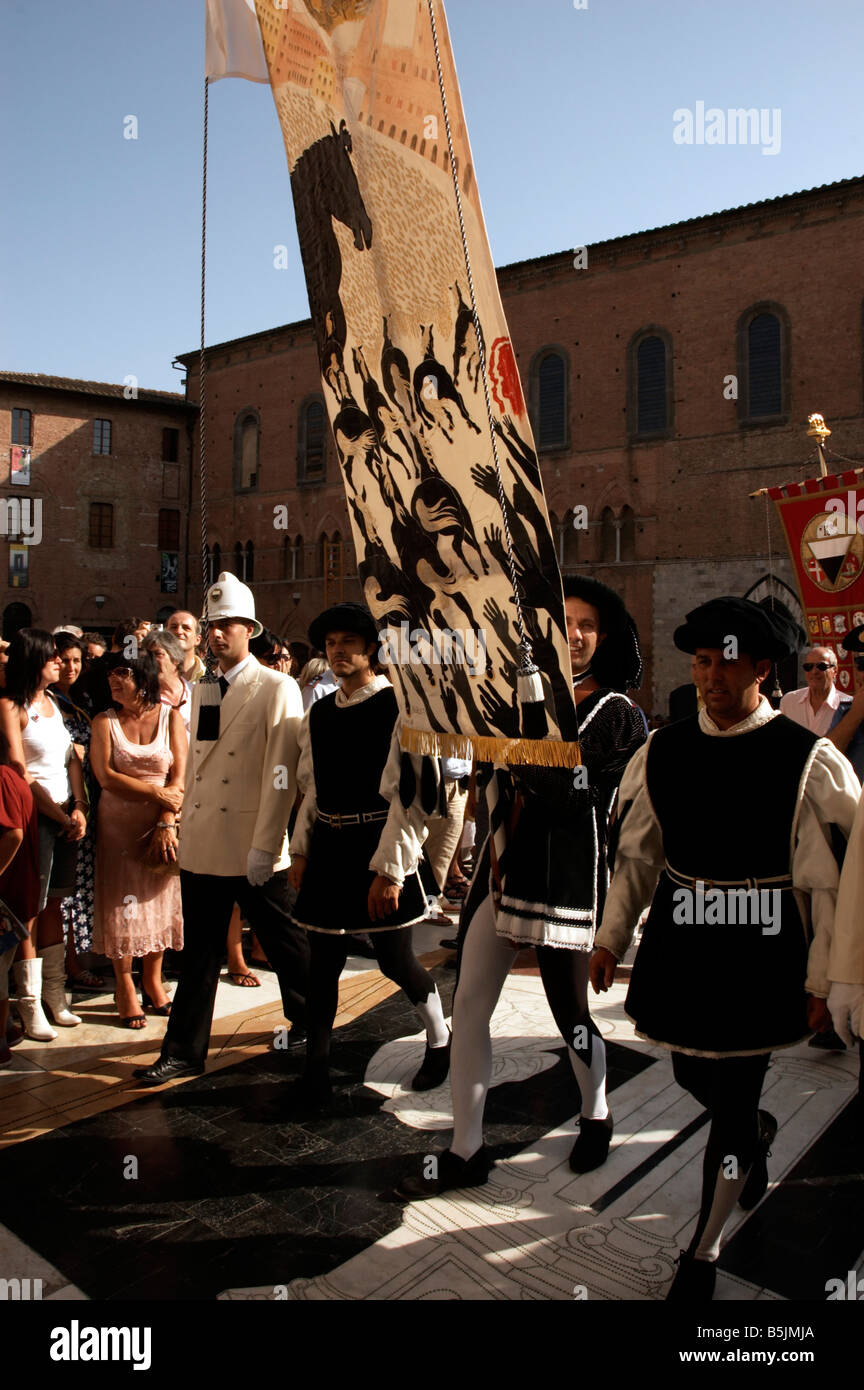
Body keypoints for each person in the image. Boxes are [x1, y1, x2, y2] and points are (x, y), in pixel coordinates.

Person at [590, 596, 861, 1301]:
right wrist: (611, 937)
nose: (710, 676)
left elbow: (831, 881)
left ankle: (703, 1252)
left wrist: (825, 978)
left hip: (764, 951)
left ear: (763, 668)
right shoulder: (665, 748)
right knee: (690, 1073)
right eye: (702, 662)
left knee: (732, 1106)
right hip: (684, 943)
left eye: (726, 662)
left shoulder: (807, 762)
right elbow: (639, 857)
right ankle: (756, 1130)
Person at [395, 577, 647, 1199]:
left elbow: (574, 789)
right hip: (501, 869)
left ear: (604, 636)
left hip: (564, 876)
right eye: (566, 623)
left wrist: (513, 743)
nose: (577, 634)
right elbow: (466, 762)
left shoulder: (618, 712)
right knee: (469, 1007)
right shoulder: (509, 698)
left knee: (572, 1017)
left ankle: (596, 1112)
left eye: (589, 624)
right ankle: (467, 1147)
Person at [133, 572, 309, 1086]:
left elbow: (281, 775)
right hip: (207, 843)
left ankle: (313, 1020)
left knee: (287, 943)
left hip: (253, 845)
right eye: (212, 625)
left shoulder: (277, 688)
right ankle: (184, 1051)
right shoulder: (206, 690)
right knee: (200, 956)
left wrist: (268, 843)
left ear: (250, 630)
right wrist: (182, 821)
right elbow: (201, 766)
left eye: (228, 625)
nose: (217, 634)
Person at [288, 602, 450, 1108]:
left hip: (380, 846)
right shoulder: (318, 713)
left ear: (372, 651)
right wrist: (300, 850)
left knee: (395, 961)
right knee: (322, 964)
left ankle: (440, 1040)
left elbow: (412, 797)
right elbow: (311, 788)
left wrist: (390, 870)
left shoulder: (400, 708)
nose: (337, 652)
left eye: (347, 643)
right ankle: (316, 1068)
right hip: (330, 849)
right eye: (331, 644)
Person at [90, 652, 186, 1027]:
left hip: (162, 825)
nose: (114, 680)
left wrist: (166, 816)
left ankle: (153, 979)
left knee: (159, 897)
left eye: (122, 673)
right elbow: (106, 777)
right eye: (110, 674)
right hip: (118, 826)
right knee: (121, 902)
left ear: (144, 676)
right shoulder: (104, 721)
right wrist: (157, 795)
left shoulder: (170, 717)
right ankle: (124, 985)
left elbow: (180, 774)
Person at [0, 630, 87, 1040]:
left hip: (65, 815)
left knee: (55, 905)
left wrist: (79, 808)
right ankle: (29, 1004)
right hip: (35, 816)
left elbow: (72, 760)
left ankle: (56, 995)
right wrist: (57, 813)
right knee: (30, 910)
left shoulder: (55, 703)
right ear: (34, 660)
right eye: (53, 657)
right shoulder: (10, 706)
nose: (60, 663)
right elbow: (19, 768)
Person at [51, 633, 100, 993]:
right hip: (58, 802)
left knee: (79, 886)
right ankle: (63, 966)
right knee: (59, 891)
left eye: (76, 661)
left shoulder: (79, 698)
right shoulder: (43, 702)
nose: (70, 667)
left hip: (85, 801)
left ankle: (76, 959)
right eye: (63, 660)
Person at [0, 728, 40, 1067]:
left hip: (5, 896)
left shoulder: (1, 779)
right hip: (17, 893)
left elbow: (12, 833)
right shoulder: (15, 778)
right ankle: (10, 1029)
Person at [779, 645, 843, 733]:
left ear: (835, 670)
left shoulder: (847, 707)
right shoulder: (789, 701)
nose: (814, 671)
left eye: (821, 666)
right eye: (808, 667)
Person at [142, 629, 192, 737]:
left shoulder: (197, 693)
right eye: (147, 656)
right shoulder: (143, 700)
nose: (151, 661)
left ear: (176, 658)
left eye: (158, 654)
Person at [165, 611, 206, 684]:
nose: (179, 631)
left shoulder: (210, 677)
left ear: (197, 639)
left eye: (186, 628)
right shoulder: (153, 674)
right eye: (174, 627)